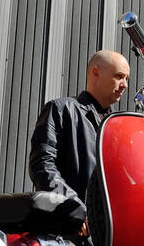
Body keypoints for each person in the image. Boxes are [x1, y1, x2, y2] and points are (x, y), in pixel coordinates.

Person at [28, 50, 130, 222]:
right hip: (68, 230)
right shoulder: (61, 110)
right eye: (119, 76)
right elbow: (43, 166)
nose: (125, 84)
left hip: (109, 233)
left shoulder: (119, 126)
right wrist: (73, 208)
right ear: (96, 73)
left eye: (127, 79)